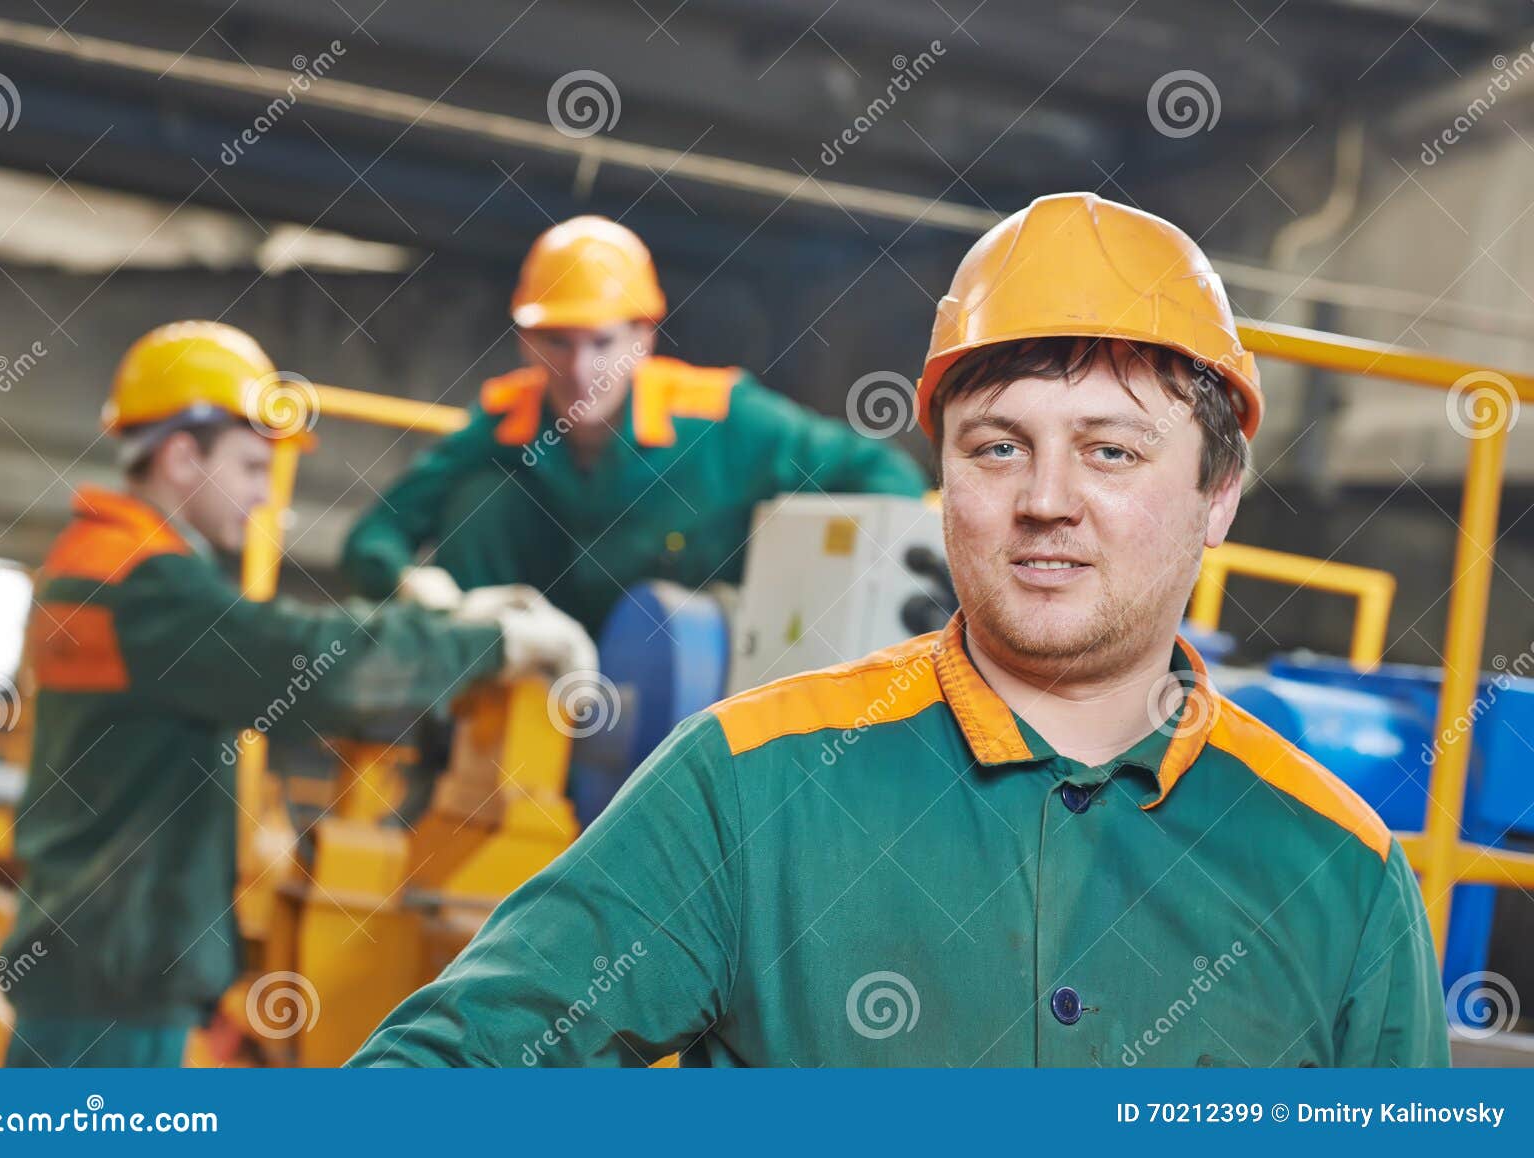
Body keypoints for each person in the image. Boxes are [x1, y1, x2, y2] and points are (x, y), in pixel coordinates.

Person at [346, 193, 1449, 1068]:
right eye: (995, 447)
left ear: (1219, 495)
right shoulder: (747, 789)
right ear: (943, 481)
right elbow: (464, 1065)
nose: (1045, 500)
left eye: (1111, 451)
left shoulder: (1338, 877)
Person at [0, 321, 593, 1068]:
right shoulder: (143, 588)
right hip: (111, 983)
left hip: (96, 964)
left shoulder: (102, 564)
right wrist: (491, 644)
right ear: (184, 456)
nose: (261, 497)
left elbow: (274, 645)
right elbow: (314, 667)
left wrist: (433, 617)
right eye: (251, 466)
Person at [339, 215, 928, 636]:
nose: (580, 368)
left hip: (684, 699)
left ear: (643, 341)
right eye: (557, 343)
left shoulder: (724, 417)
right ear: (525, 343)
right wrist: (414, 586)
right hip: (527, 688)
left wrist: (800, 605)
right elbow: (374, 536)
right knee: (479, 500)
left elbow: (884, 474)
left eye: (603, 342)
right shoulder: (505, 424)